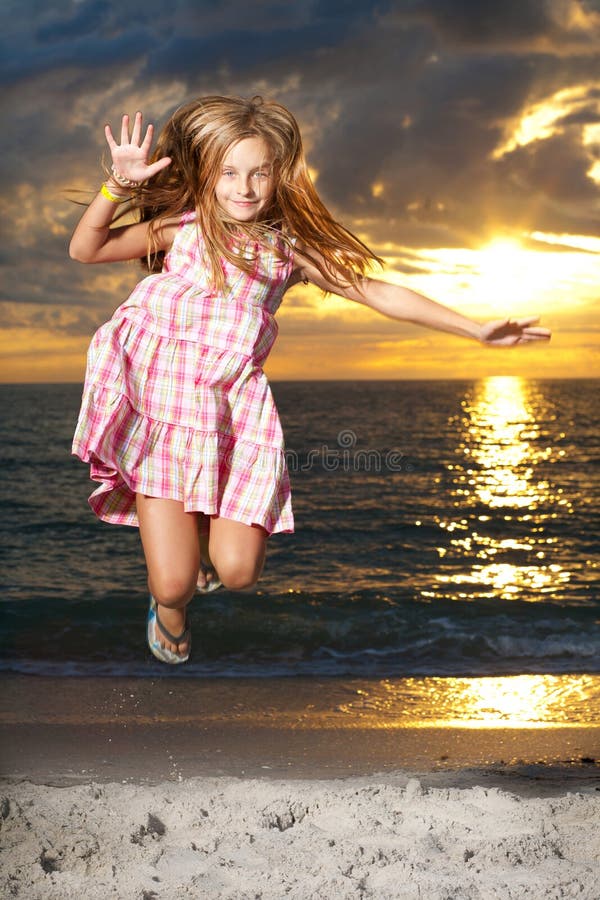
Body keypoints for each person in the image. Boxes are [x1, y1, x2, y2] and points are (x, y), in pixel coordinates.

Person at [69, 95, 550, 665]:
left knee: (239, 572)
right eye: (228, 172)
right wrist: (116, 189)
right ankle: (167, 608)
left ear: (279, 175)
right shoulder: (183, 228)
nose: (245, 188)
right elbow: (86, 249)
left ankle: (195, 535)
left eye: (259, 173)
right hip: (159, 408)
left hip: (230, 414)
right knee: (174, 584)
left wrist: (475, 330)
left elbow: (374, 291)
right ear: (206, 173)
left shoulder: (289, 252)